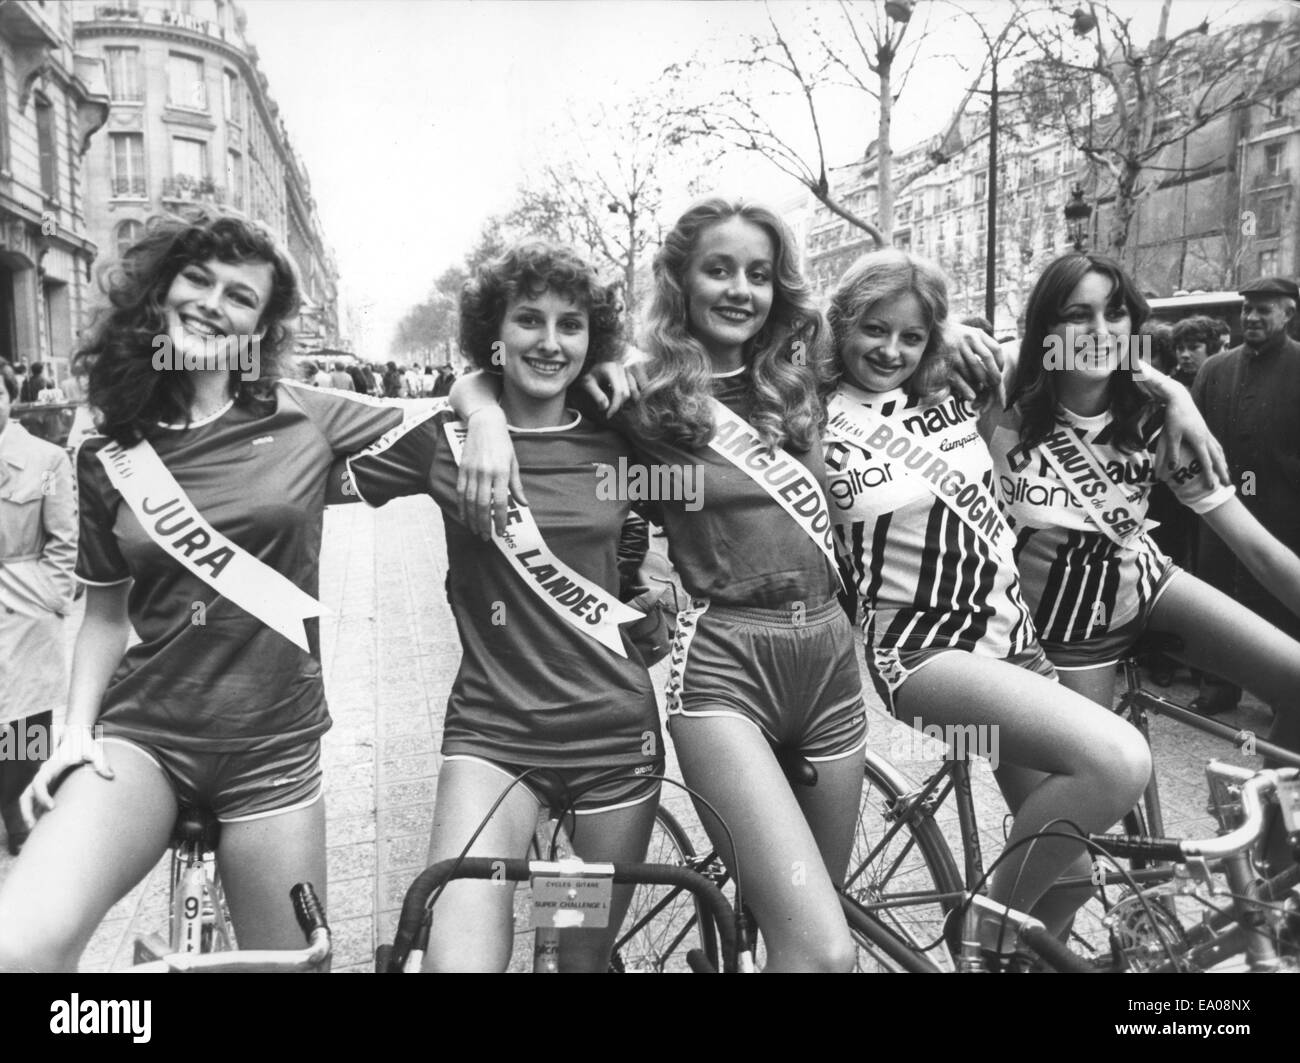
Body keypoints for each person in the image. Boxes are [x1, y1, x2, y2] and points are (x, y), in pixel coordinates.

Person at [452, 198, 871, 971]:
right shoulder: (637, 393)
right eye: (719, 270)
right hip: (724, 667)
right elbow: (504, 372)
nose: (740, 289)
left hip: (832, 666)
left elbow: (918, 351)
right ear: (680, 280)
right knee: (822, 951)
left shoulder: (805, 375)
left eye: (759, 273)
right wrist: (477, 412)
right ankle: (568, 940)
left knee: (804, 927)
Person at [0, 209, 402, 971]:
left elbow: (441, 430)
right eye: (199, 278)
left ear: (261, 328)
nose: (215, 302)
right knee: (15, 948)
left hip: (272, 750)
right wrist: (78, 729)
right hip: (145, 739)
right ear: (160, 290)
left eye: (241, 297)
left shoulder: (303, 415)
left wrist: (481, 402)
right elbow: (103, 616)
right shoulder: (105, 453)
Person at [823, 249, 1152, 952]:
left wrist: (1177, 396)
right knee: (1117, 762)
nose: (892, 349)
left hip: (1016, 644)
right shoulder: (811, 413)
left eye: (912, 335)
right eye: (874, 329)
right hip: (924, 652)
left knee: (1066, 878)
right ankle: (979, 929)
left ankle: (1000, 955)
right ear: (842, 323)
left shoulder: (954, 389)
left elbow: (1075, 364)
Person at [347, 240, 661, 972]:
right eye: (529, 320)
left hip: (613, 745)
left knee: (570, 957)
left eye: (572, 325)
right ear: (495, 332)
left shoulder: (624, 435)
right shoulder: (442, 441)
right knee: (459, 963)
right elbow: (313, 462)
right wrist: (475, 405)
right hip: (495, 739)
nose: (550, 342)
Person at [989, 255, 1300, 767]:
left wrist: (1171, 390)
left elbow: (1256, 549)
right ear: (1046, 325)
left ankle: (1271, 843)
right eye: (1076, 315)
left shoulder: (1158, 419)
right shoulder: (1003, 396)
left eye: (1115, 313)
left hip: (1147, 587)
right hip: (1062, 628)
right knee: (1090, 795)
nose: (1099, 330)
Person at [1189, 277, 1300, 732]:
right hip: (1220, 509)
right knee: (1218, 599)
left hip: (1283, 512)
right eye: (1248, 309)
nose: (1252, 317)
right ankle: (1217, 688)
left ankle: (1287, 697)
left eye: (1264, 310)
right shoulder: (1216, 369)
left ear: (1288, 314)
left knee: (1280, 602)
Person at [0, 366, 76, 856]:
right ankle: (13, 812)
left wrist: (50, 595)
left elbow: (64, 538)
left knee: (29, 731)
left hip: (25, 603)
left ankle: (12, 797)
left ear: (10, 398)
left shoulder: (46, 459)